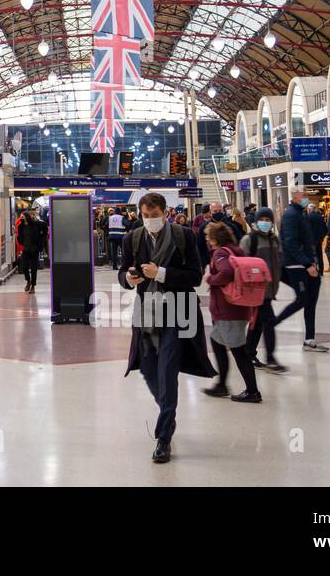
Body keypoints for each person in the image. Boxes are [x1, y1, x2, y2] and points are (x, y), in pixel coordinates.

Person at [117, 191, 215, 464]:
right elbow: (123, 271)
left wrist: (161, 273)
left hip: (178, 310)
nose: (150, 221)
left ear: (166, 213)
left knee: (168, 368)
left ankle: (163, 437)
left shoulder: (184, 236)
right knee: (148, 370)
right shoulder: (132, 239)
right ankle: (167, 412)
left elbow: (196, 276)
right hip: (147, 313)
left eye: (155, 216)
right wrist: (127, 278)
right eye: (145, 216)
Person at [201, 221, 263, 403]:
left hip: (228, 309)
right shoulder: (236, 250)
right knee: (217, 341)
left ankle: (252, 391)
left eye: (208, 237)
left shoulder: (220, 253)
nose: (207, 240)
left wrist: (210, 278)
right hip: (239, 307)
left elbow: (226, 274)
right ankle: (221, 384)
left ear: (215, 238)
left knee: (238, 351)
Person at [276, 190, 329, 352]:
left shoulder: (302, 214)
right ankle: (271, 323)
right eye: (303, 195)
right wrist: (307, 264)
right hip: (296, 265)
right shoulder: (291, 215)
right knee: (302, 299)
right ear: (294, 197)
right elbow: (290, 243)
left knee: (310, 302)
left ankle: (310, 339)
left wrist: (313, 263)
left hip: (308, 264)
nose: (306, 197)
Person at [242, 207, 286, 373]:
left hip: (269, 289)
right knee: (269, 321)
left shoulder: (274, 239)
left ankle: (249, 353)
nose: (266, 223)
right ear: (256, 221)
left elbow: (278, 262)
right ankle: (270, 358)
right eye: (263, 220)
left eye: (268, 220)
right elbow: (241, 264)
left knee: (258, 322)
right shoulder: (249, 240)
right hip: (255, 290)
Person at [18, 204, 46, 293]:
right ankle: (28, 281)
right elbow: (20, 237)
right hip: (26, 249)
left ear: (26, 217)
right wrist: (21, 241)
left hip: (34, 249)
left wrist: (41, 238)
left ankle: (33, 286)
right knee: (24, 267)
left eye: (22, 217)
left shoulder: (35, 224)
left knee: (34, 269)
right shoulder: (21, 227)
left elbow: (44, 227)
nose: (21, 218)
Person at [303, 202, 326, 268]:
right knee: (319, 255)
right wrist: (322, 237)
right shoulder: (320, 217)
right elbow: (325, 229)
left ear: (309, 210)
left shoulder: (307, 217)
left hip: (311, 240)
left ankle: (314, 269)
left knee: (312, 255)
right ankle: (321, 270)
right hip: (319, 239)